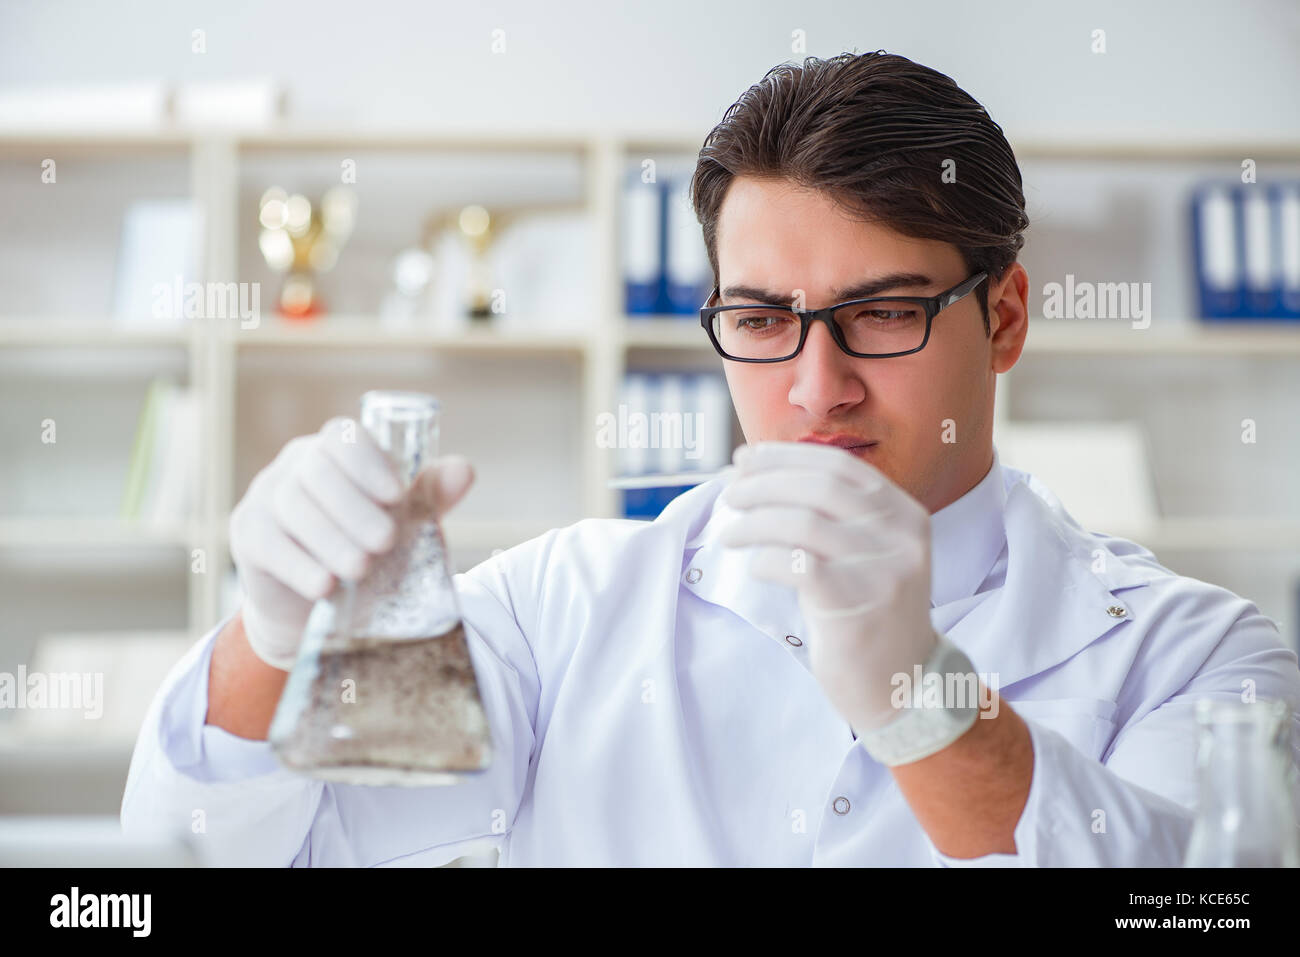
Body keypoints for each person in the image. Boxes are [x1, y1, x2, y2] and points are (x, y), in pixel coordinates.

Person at [121, 51, 1300, 866]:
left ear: (1002, 319)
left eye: (883, 312)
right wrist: (268, 639)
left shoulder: (1192, 654)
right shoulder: (566, 609)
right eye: (760, 318)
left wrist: (922, 698)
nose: (813, 385)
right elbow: (229, 861)